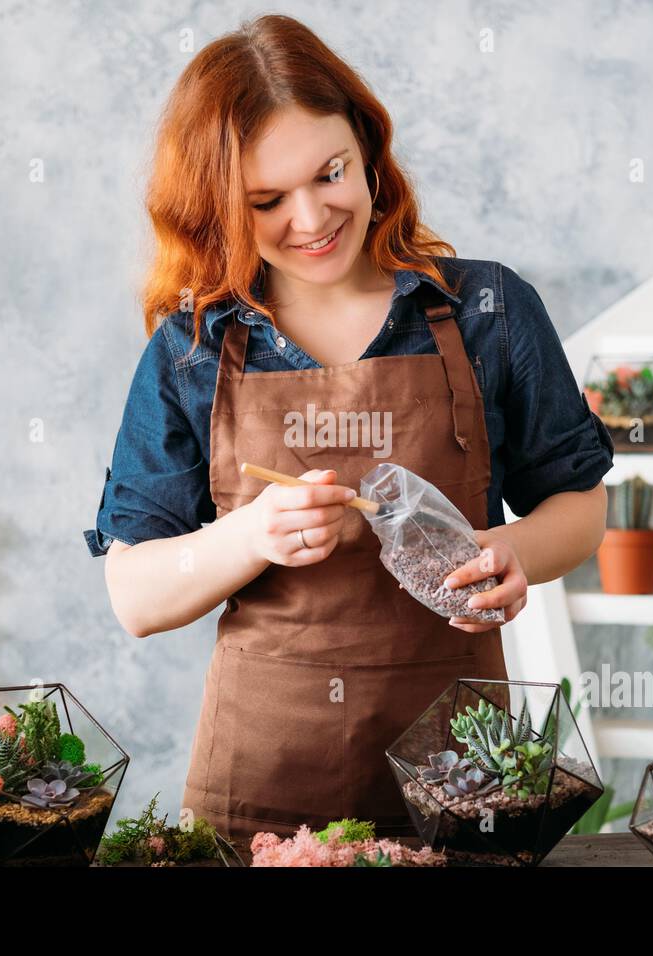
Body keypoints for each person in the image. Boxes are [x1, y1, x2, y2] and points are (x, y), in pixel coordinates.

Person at [84, 14, 614, 843]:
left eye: (330, 173)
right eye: (267, 200)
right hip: (261, 795)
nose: (312, 217)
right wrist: (252, 535)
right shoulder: (192, 350)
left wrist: (513, 553)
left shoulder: (487, 311)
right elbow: (135, 597)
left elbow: (580, 509)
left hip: (463, 782)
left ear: (366, 147)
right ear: (221, 206)